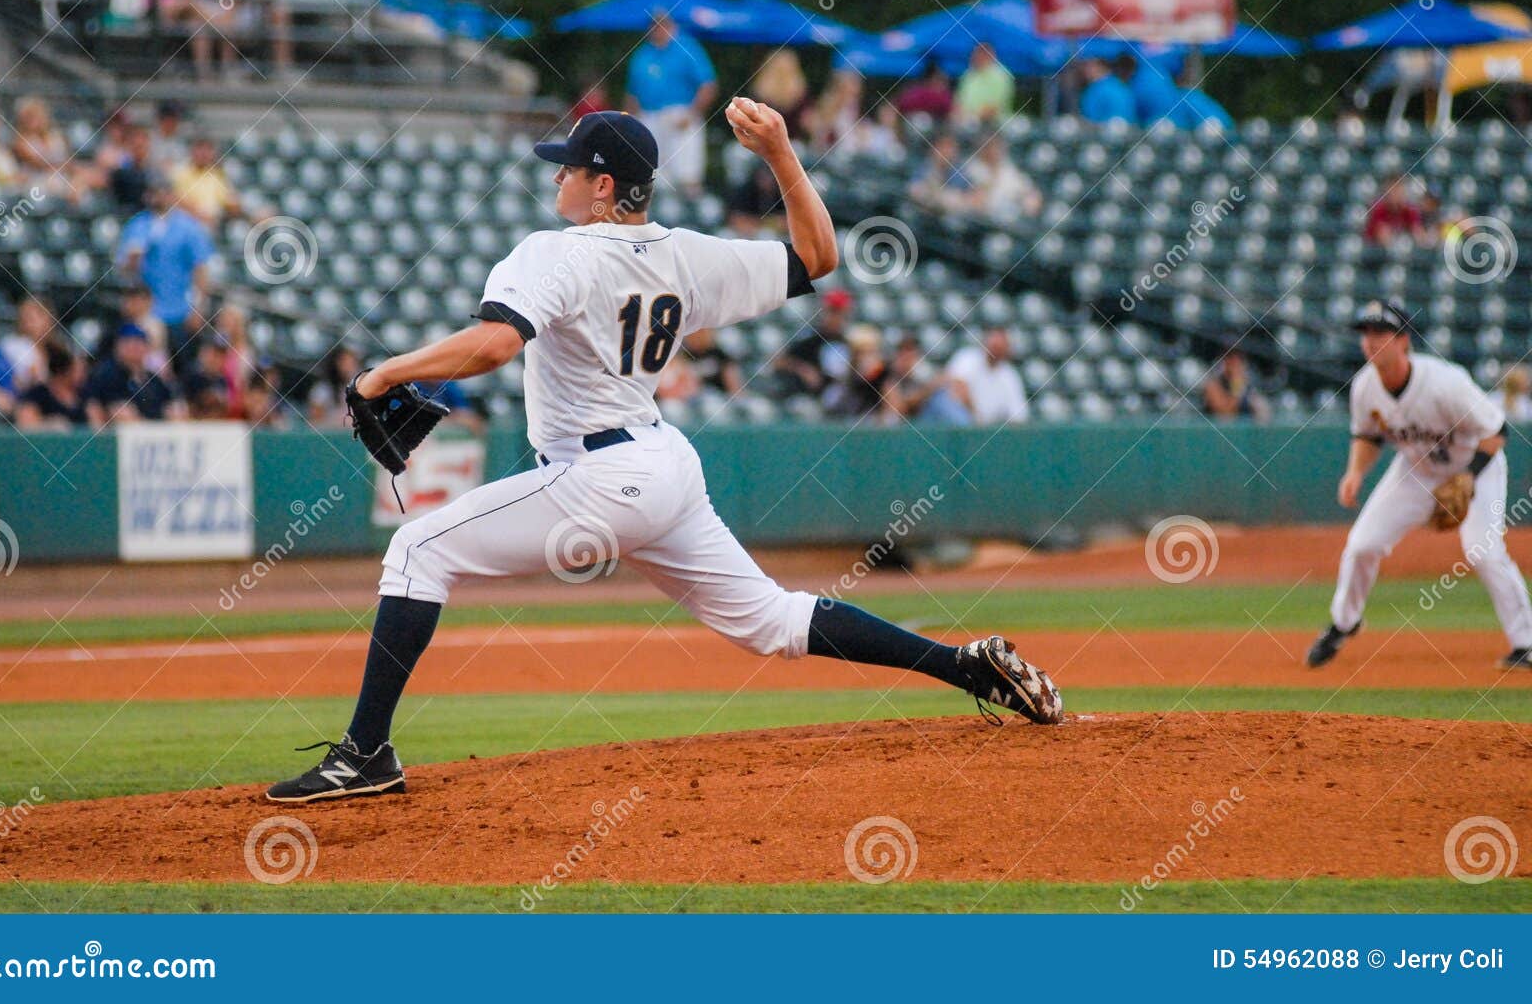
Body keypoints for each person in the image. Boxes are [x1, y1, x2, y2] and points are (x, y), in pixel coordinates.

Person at [264, 105, 1062, 802]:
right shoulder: (687, 253)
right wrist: (782, 152)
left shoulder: (556, 251)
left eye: (570, 168)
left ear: (604, 185)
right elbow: (818, 257)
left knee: (415, 548)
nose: (558, 182)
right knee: (773, 621)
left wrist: (380, 373)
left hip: (600, 477)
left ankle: (365, 752)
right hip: (664, 468)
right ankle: (966, 665)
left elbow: (496, 342)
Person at [1309, 300, 1532, 671]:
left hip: (1477, 465)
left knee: (1483, 550)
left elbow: (1497, 432)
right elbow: (1367, 436)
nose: (1371, 341)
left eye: (1380, 332)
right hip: (1416, 469)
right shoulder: (1365, 386)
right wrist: (1355, 474)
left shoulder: (1445, 382)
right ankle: (1343, 623)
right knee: (1362, 544)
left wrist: (1468, 477)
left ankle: (1526, 643)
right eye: (1366, 333)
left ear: (1402, 341)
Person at [116, 182, 214, 372]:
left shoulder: (188, 226)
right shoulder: (138, 225)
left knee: (182, 365)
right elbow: (124, 269)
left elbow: (201, 269)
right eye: (154, 192)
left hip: (179, 309)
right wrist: (132, 261)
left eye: (162, 193)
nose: (158, 198)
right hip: (146, 311)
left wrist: (198, 307)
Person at [624, 11, 717, 194]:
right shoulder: (643, 54)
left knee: (687, 172)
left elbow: (708, 86)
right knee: (653, 173)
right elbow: (632, 93)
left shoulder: (688, 48)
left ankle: (692, 214)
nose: (657, 30)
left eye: (662, 25)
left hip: (681, 114)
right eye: (654, 25)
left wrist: (692, 114)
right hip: (649, 116)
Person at [83, 324, 179, 423]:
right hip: (122, 432)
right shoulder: (106, 375)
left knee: (177, 410)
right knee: (123, 412)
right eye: (128, 342)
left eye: (138, 342)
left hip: (156, 430)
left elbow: (169, 403)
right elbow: (96, 407)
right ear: (118, 347)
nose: (133, 347)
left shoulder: (153, 379)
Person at [772, 287, 852, 399]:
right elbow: (778, 361)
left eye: (841, 313)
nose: (837, 318)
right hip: (804, 397)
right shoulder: (809, 336)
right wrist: (803, 370)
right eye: (833, 312)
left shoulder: (847, 342)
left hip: (836, 399)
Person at [945, 328, 1029, 425]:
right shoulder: (968, 358)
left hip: (988, 427)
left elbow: (1019, 414)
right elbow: (958, 388)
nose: (995, 351)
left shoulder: (1010, 375)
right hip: (962, 419)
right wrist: (977, 418)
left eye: (999, 348)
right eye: (993, 346)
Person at [882, 335, 971, 425]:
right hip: (907, 424)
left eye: (911, 352)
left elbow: (945, 381)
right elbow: (898, 410)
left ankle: (964, 428)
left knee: (942, 396)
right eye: (903, 353)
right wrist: (927, 390)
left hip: (930, 417)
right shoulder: (891, 377)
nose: (907, 357)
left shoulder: (923, 373)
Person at [171, 135, 247, 227]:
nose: (203, 154)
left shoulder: (217, 174)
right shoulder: (180, 172)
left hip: (215, 221)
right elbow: (177, 199)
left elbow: (228, 199)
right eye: (200, 149)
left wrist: (235, 206)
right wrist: (201, 215)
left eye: (208, 150)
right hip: (189, 220)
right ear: (192, 151)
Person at [966, 136, 1041, 223]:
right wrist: (994, 173)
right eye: (991, 148)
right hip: (987, 217)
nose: (996, 152)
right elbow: (977, 197)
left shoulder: (1007, 166)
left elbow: (1027, 189)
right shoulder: (973, 167)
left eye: (998, 148)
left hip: (1013, 213)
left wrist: (1029, 199)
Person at [822, 324, 890, 419]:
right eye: (860, 352)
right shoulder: (842, 381)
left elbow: (893, 415)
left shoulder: (884, 378)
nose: (866, 358)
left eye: (870, 352)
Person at [15, 343, 88, 429]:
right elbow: (26, 424)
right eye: (78, 371)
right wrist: (50, 425)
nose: (84, 375)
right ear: (63, 371)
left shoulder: (84, 395)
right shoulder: (37, 394)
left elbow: (97, 427)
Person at [0, 296, 61, 391]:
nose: (27, 323)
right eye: (24, 317)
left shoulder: (57, 348)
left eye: (32, 318)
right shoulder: (11, 344)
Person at [908, 131, 975, 214]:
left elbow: (971, 198)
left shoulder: (961, 170)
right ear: (933, 149)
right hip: (925, 214)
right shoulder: (925, 166)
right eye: (942, 147)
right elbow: (914, 190)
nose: (946, 151)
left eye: (950, 147)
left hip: (952, 217)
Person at [953, 43, 1014, 127]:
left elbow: (994, 107)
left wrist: (972, 118)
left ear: (990, 55)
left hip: (993, 125)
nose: (974, 57)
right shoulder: (968, 75)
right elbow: (957, 102)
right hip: (965, 124)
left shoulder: (1000, 76)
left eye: (979, 54)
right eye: (974, 54)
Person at [1202, 349, 1270, 422]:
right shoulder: (1213, 384)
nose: (1235, 367)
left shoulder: (1247, 384)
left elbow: (1264, 415)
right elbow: (1226, 414)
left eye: (1238, 363)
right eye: (1231, 362)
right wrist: (1236, 384)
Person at [750, 48, 809, 132]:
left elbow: (807, 123)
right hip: (763, 138)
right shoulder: (759, 91)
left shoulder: (801, 93)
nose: (781, 72)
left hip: (792, 141)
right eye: (778, 67)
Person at [110, 124, 159, 212]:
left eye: (141, 146)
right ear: (129, 146)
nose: (138, 150)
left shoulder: (154, 171)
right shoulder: (120, 170)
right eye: (136, 146)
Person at [1364, 174, 1424, 245]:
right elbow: (1384, 238)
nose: (1397, 194)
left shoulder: (1409, 210)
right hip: (1375, 251)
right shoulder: (1379, 209)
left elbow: (1419, 235)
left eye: (1400, 190)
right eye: (1393, 191)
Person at [1077, 58, 1137, 125]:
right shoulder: (1121, 85)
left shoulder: (1095, 90)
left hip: (1102, 131)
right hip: (1129, 131)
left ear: (1099, 67)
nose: (1085, 70)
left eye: (1088, 66)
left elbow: (1089, 119)